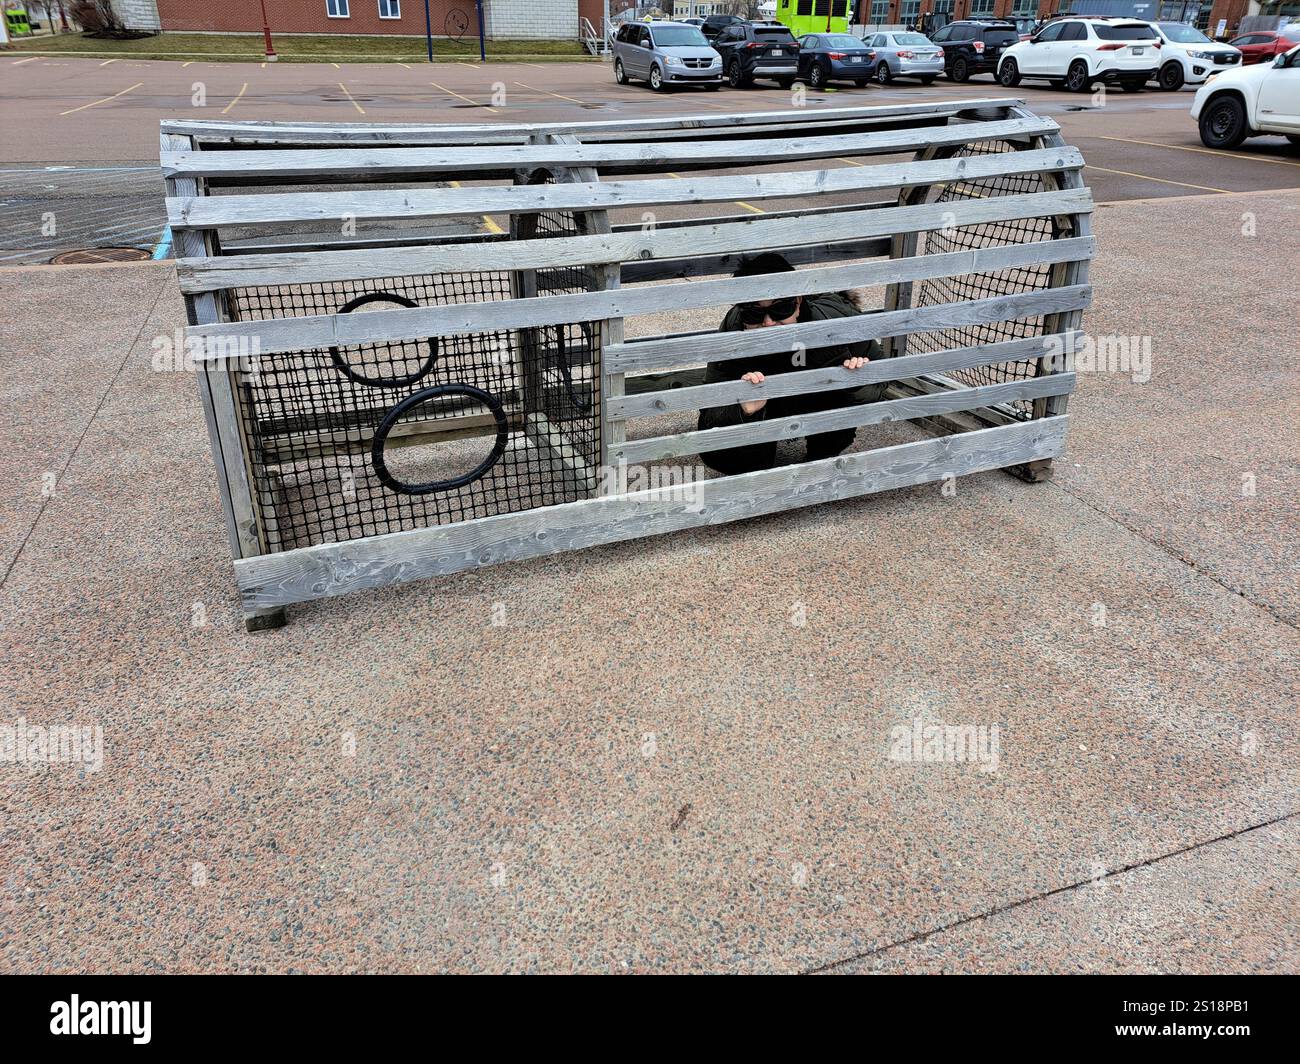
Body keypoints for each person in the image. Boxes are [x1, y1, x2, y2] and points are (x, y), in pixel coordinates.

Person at [696, 253, 883, 476]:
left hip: (818, 397)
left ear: (798, 303)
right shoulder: (734, 327)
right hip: (767, 402)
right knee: (735, 461)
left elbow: (881, 381)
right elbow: (710, 411)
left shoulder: (835, 321)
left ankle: (823, 449)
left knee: (830, 437)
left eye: (780, 309)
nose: (768, 323)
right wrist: (742, 410)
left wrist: (856, 381)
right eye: (754, 313)